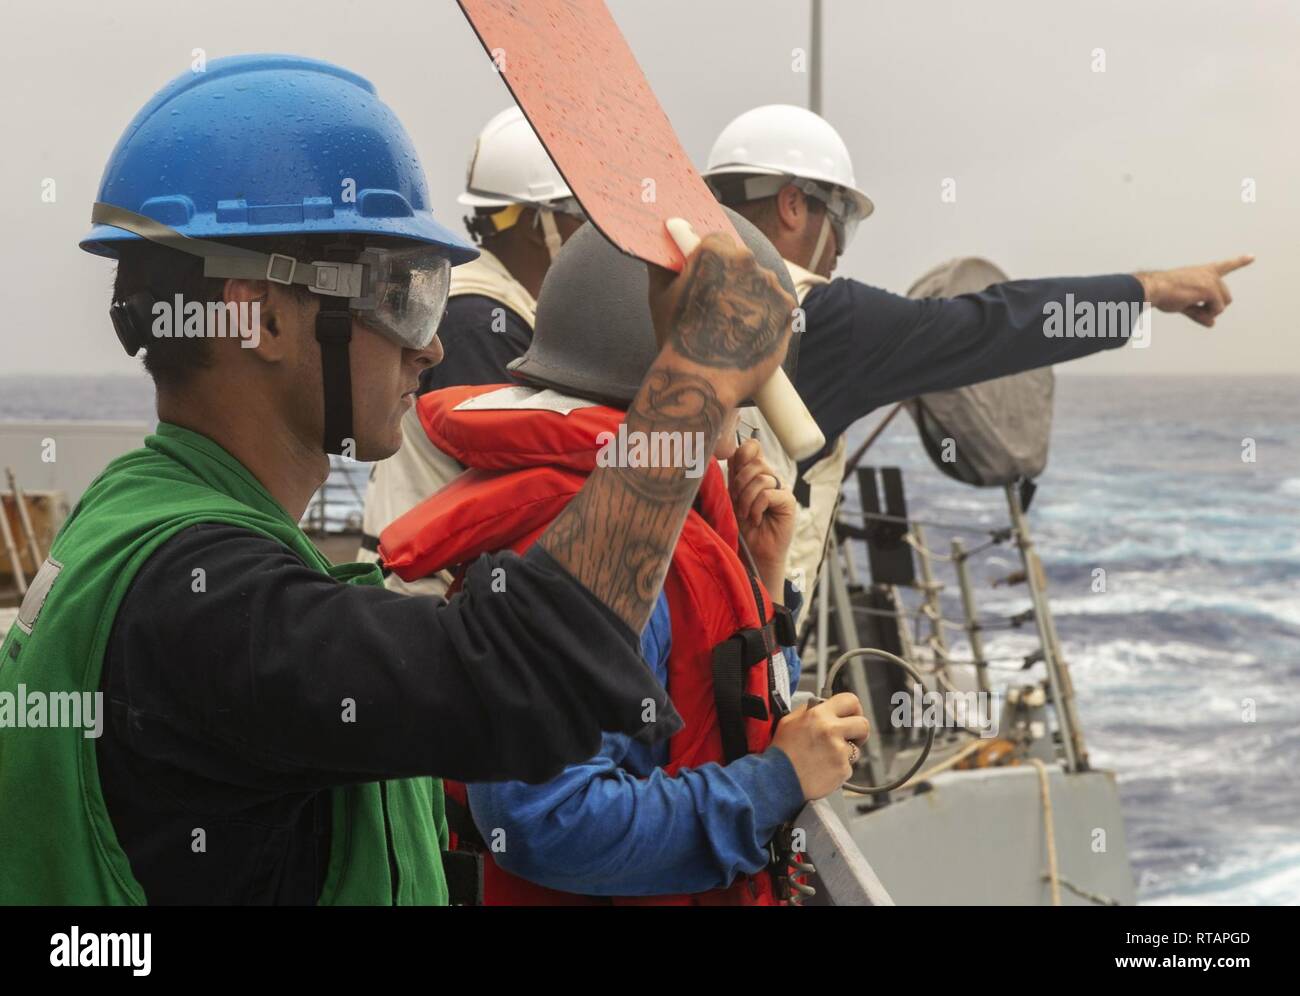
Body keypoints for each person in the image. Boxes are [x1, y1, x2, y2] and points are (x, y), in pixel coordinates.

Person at [0, 56, 794, 905]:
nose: (432, 346)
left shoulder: (134, 522)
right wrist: (698, 374)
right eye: (402, 295)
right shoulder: (201, 602)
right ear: (258, 316)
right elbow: (524, 685)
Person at [378, 211, 870, 905]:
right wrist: (779, 781)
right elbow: (541, 818)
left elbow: (710, 701)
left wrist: (762, 578)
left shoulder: (615, 517)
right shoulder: (623, 558)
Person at [702, 104, 1254, 611]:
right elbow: (997, 325)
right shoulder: (827, 317)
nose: (842, 245)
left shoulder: (665, 293)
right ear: (793, 204)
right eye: (840, 214)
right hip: (740, 647)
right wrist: (1149, 289)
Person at [358, 107, 585, 594]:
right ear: (536, 222)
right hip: (428, 600)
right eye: (580, 214)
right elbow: (525, 488)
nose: (590, 233)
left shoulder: (488, 308)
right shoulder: (481, 322)